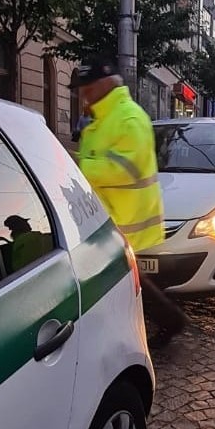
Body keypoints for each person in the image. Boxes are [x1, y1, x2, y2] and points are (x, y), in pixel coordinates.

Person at [71, 56, 187, 345]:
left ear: (102, 85)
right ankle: (167, 322)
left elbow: (128, 168)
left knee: (131, 286)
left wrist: (78, 169)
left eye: (85, 87)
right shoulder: (101, 118)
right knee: (130, 285)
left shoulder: (129, 117)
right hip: (106, 219)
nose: (81, 94)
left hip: (128, 222)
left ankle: (168, 322)